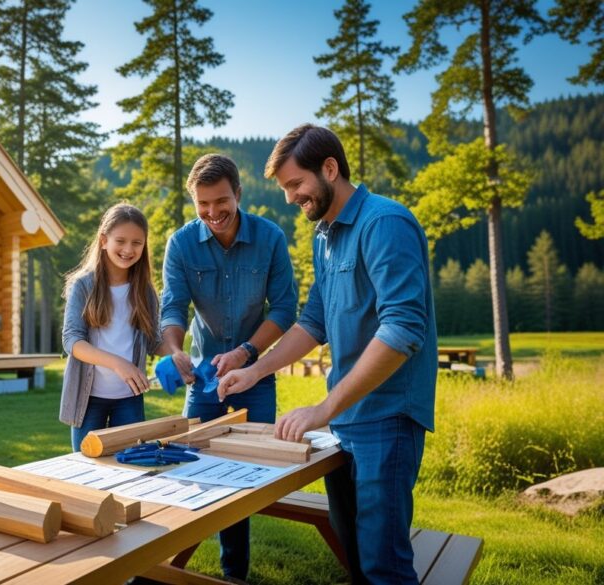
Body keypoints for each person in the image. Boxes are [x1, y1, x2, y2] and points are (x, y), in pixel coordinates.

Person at [219, 124, 437, 585]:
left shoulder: (385, 223)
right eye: (284, 188)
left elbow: (403, 328)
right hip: (347, 425)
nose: (289, 198)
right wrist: (255, 371)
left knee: (385, 566)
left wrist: (323, 407)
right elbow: (312, 322)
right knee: (355, 557)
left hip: (388, 419)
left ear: (330, 168)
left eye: (295, 184)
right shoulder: (325, 236)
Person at [160, 153, 298, 582]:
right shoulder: (181, 243)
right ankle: (166, 567)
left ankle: (233, 573)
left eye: (222, 202)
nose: (213, 213)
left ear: (238, 194)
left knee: (247, 478)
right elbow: (172, 306)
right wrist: (175, 350)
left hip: (255, 378)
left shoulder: (270, 237)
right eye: (203, 205)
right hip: (202, 380)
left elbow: (287, 309)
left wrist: (245, 353)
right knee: (186, 471)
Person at [60, 203, 166, 452]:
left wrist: (176, 354)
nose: (128, 249)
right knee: (88, 469)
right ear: (104, 240)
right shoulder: (83, 286)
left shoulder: (145, 292)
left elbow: (153, 342)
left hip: (129, 399)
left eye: (137, 243)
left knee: (131, 468)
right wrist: (119, 364)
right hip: (88, 400)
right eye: (121, 240)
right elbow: (72, 341)